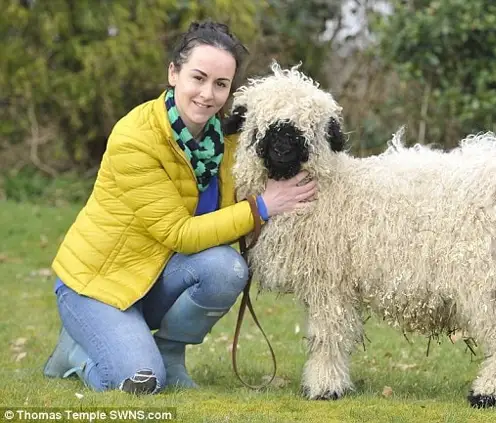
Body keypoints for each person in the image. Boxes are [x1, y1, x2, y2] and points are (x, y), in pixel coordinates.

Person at [42, 20, 317, 394]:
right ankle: (75, 353)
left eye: (221, 85)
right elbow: (180, 234)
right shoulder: (135, 138)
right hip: (98, 286)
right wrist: (262, 206)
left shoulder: (226, 141)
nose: (208, 94)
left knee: (226, 269)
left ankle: (170, 354)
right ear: (173, 73)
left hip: (155, 277)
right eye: (198, 78)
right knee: (140, 383)